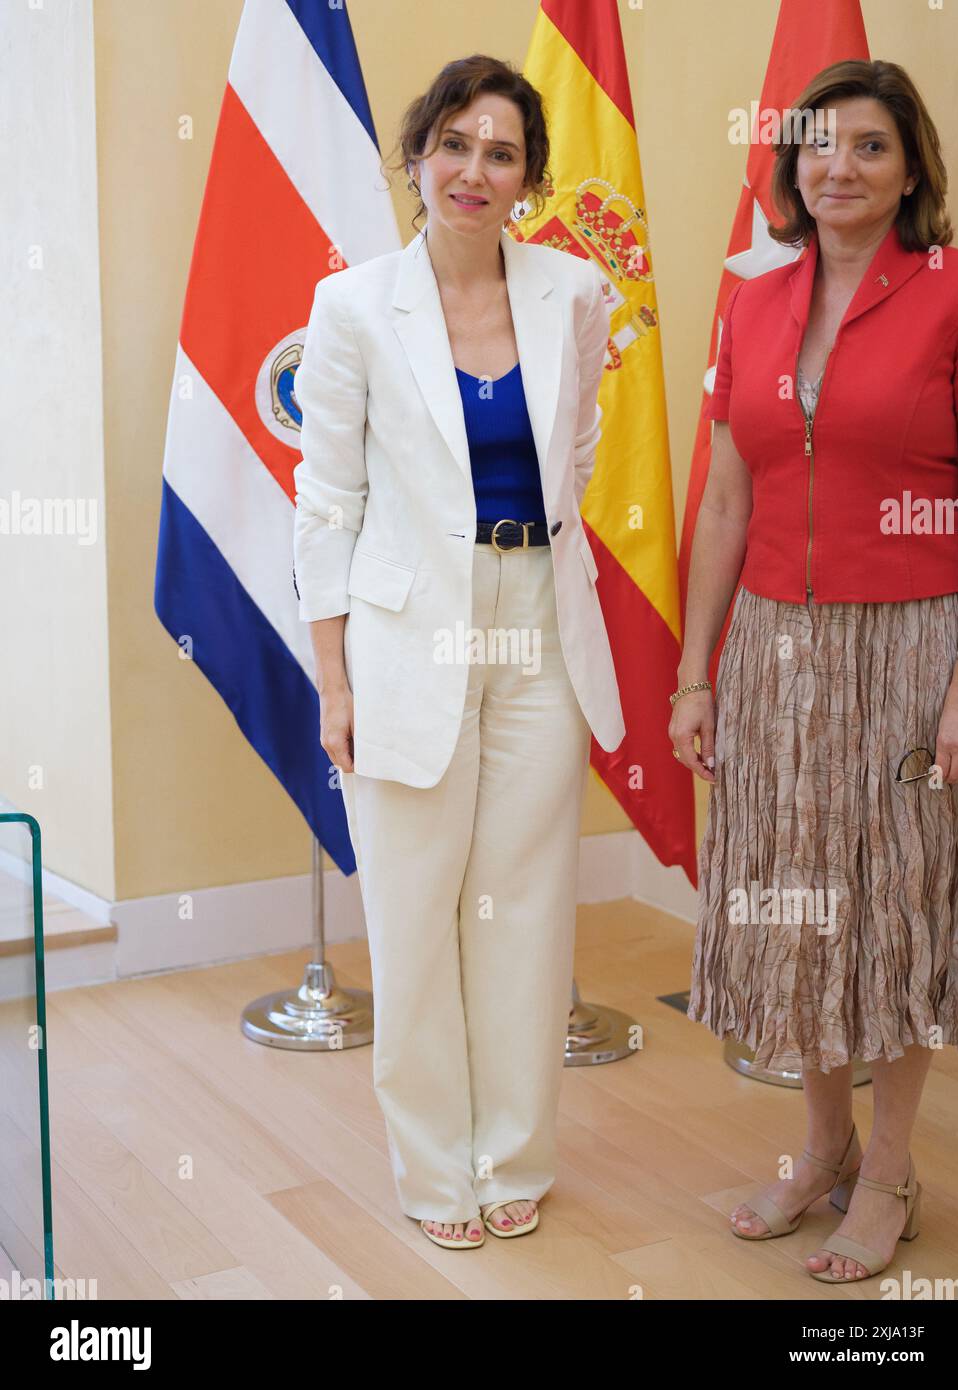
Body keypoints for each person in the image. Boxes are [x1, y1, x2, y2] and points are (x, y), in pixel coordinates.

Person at [292, 55, 624, 1250]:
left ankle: (511, 1157)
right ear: (416, 157)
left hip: (534, 615)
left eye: (500, 151)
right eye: (454, 145)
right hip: (400, 637)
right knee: (414, 913)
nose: (474, 171)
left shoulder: (572, 294)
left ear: (526, 176)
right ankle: (435, 1173)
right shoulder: (351, 305)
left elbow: (573, 457)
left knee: (526, 908)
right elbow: (324, 502)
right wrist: (331, 678)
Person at [671, 60, 958, 1284]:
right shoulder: (750, 299)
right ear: (787, 165)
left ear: (911, 172)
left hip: (908, 640)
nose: (835, 167)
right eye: (816, 146)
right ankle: (820, 1146)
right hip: (769, 651)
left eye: (867, 147)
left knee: (891, 909)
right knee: (799, 911)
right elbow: (731, 495)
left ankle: (892, 1173)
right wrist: (695, 670)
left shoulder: (956, 294)